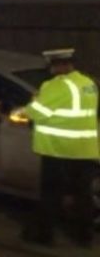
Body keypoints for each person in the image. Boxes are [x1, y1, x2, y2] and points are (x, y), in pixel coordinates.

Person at [19, 48, 98, 247]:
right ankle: (84, 235)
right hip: (85, 148)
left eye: (52, 66)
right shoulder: (88, 83)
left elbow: (37, 112)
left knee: (51, 193)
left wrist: (27, 105)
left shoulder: (55, 86)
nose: (51, 70)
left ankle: (44, 235)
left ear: (58, 65)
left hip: (58, 149)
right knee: (83, 194)